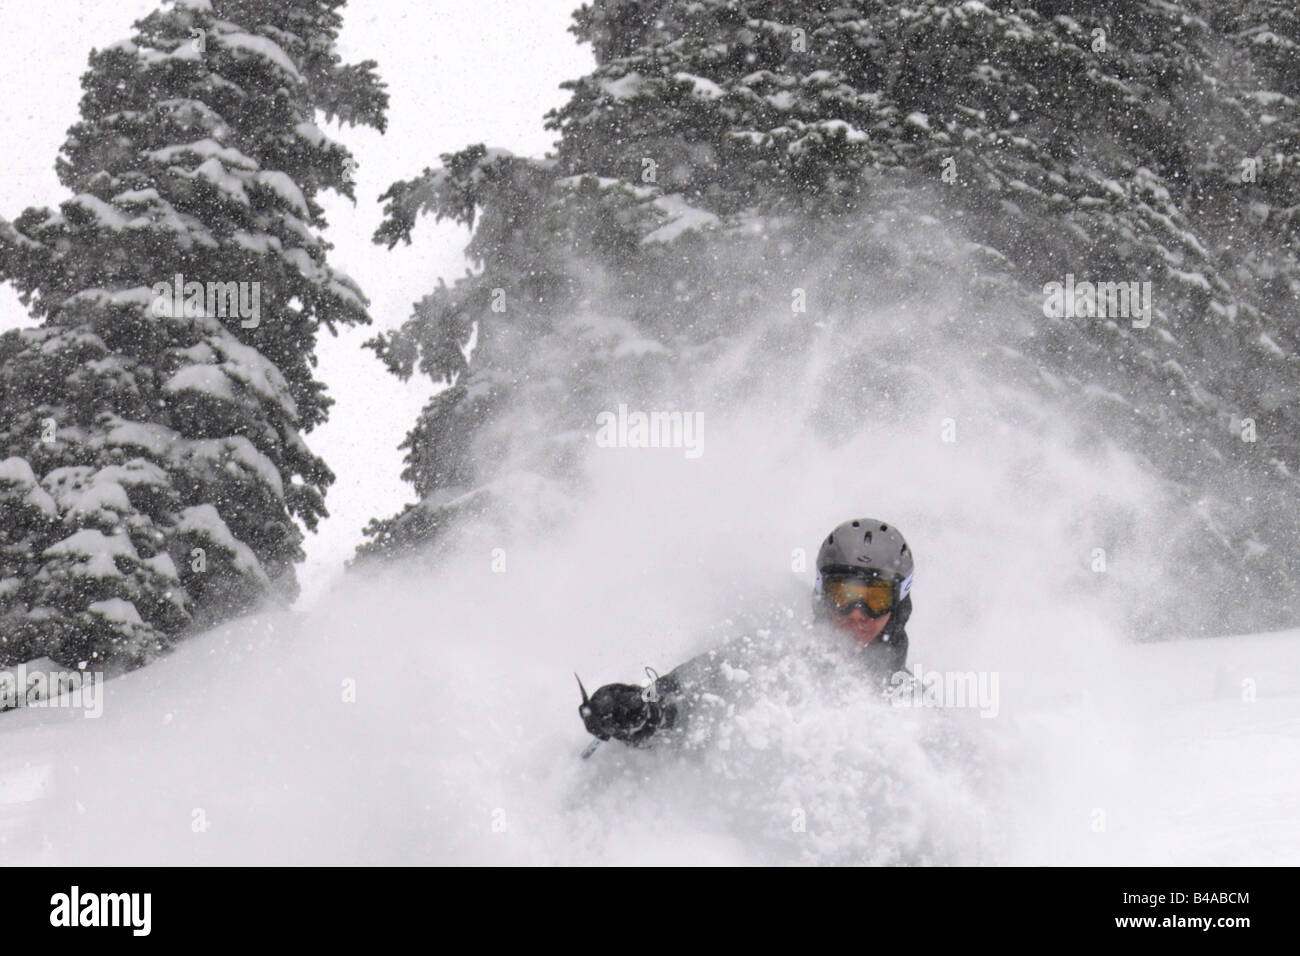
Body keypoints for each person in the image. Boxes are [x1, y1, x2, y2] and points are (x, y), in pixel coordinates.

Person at [578, 518, 915, 748]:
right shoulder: (774, 653)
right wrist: (643, 711)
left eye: (875, 598)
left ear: (898, 604)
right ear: (822, 595)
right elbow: (689, 691)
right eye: (843, 596)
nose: (857, 614)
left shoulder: (906, 702)